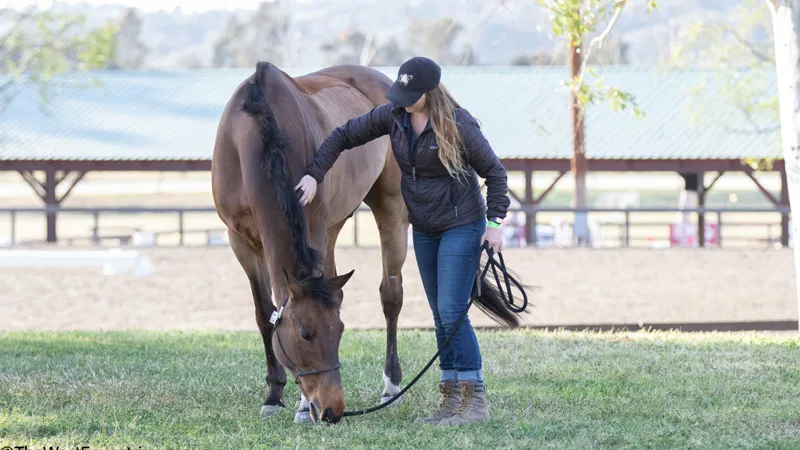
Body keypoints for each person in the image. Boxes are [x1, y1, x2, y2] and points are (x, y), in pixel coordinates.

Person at [294, 56, 510, 426]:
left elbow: (495, 172)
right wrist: (314, 175)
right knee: (441, 316)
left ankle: (474, 400)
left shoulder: (459, 125)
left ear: (429, 93)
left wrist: (495, 222)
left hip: (461, 225)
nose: (403, 98)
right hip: (424, 228)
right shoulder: (393, 116)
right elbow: (343, 136)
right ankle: (450, 397)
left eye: (411, 93)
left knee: (452, 311)